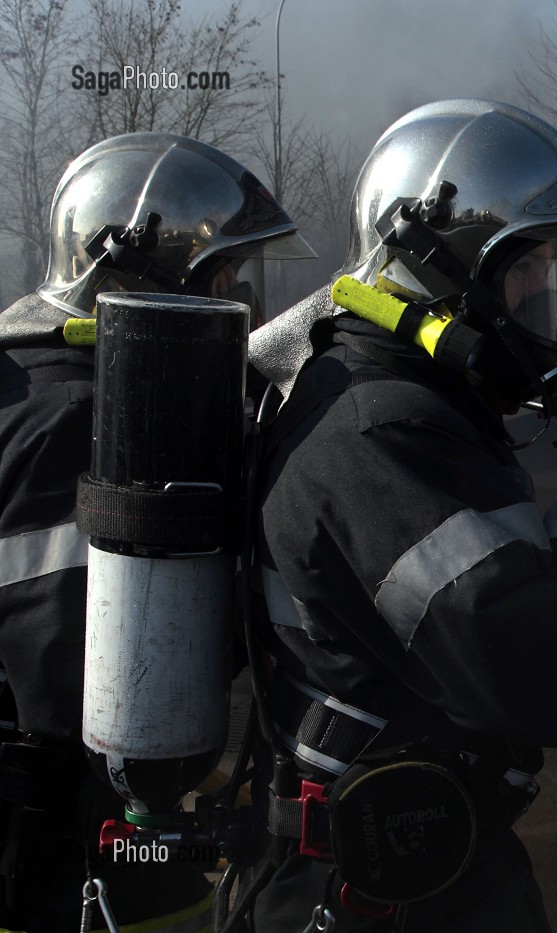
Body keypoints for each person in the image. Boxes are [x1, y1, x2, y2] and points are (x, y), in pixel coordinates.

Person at [246, 98, 557, 929]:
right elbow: (530, 680)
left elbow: (449, 632)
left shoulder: (414, 408)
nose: (542, 296)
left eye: (551, 271)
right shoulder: (381, 428)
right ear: (442, 267)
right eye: (525, 269)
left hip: (430, 863)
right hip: (380, 890)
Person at [0, 132, 314, 932]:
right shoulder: (89, 420)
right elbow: (89, 669)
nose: (237, 303)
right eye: (218, 278)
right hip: (68, 851)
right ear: (138, 274)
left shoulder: (27, 379)